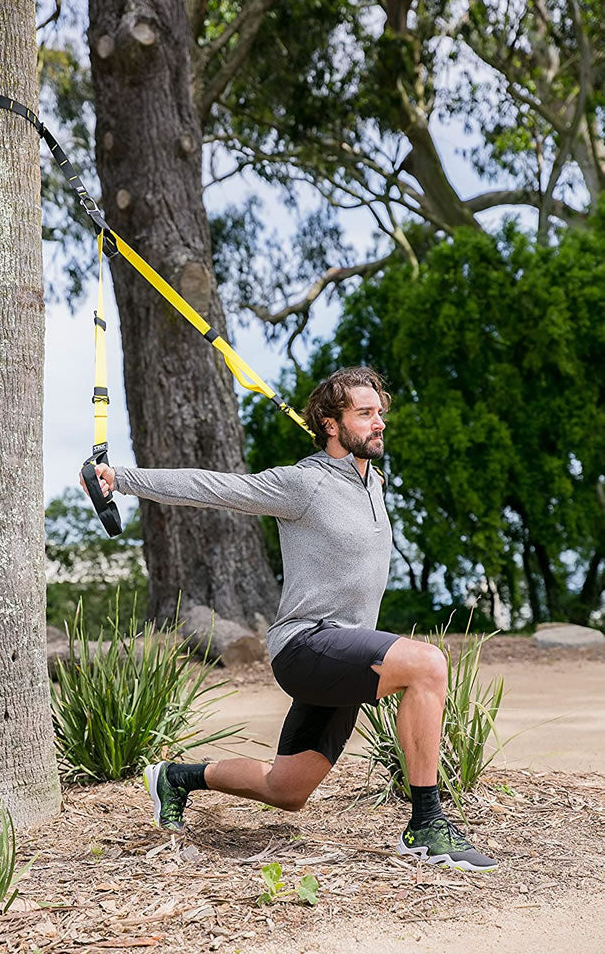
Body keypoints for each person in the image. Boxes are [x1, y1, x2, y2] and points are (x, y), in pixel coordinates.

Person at [80, 366, 497, 872]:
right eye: (364, 414)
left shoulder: (374, 483)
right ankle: (426, 824)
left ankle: (173, 778)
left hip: (345, 653)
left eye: (379, 413)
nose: (379, 423)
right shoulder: (302, 484)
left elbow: (359, 480)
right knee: (428, 665)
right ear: (329, 423)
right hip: (305, 646)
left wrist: (354, 457)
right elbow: (216, 487)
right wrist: (120, 479)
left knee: (287, 789)